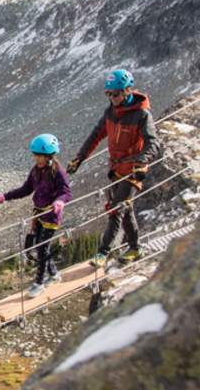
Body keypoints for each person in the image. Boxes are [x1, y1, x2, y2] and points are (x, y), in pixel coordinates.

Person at [67, 69, 161, 267]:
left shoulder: (142, 114)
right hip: (116, 170)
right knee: (125, 210)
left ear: (127, 91)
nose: (112, 98)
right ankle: (135, 248)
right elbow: (96, 135)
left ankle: (103, 252)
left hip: (133, 170)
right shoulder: (110, 112)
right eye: (108, 94)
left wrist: (141, 161)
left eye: (116, 94)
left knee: (116, 210)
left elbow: (153, 142)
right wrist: (79, 158)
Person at [0, 134, 73, 297]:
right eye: (35, 155)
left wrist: (59, 201)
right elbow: (26, 189)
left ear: (49, 156)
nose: (36, 159)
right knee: (41, 247)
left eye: (39, 156)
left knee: (42, 248)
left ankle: (39, 283)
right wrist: (6, 196)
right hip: (38, 214)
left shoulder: (58, 172)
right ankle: (54, 274)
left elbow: (66, 192)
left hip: (51, 215)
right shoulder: (36, 171)